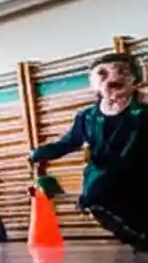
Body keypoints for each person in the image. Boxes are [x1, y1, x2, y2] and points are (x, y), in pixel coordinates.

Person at [30, 53, 146, 251]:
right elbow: (67, 143)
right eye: (102, 74)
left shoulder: (143, 111)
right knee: (95, 200)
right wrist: (38, 153)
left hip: (139, 174)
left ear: (133, 78)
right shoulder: (87, 117)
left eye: (119, 72)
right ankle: (139, 240)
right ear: (94, 84)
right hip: (103, 177)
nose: (111, 79)